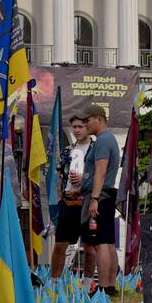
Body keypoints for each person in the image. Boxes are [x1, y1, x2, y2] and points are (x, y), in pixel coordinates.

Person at [79, 105, 120, 293]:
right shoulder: (107, 139)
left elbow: (101, 171)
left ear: (99, 119)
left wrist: (94, 198)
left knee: (101, 242)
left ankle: (103, 287)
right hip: (107, 194)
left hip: (100, 195)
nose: (85, 124)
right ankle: (110, 286)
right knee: (109, 242)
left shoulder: (103, 140)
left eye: (88, 120)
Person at [51, 114, 95, 279]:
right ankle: (54, 284)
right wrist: (60, 197)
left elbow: (101, 174)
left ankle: (88, 285)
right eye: (74, 127)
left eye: (80, 127)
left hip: (87, 203)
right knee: (60, 244)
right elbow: (59, 174)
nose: (76, 130)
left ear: (88, 128)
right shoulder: (68, 151)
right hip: (68, 204)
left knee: (90, 247)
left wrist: (83, 178)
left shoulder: (96, 149)